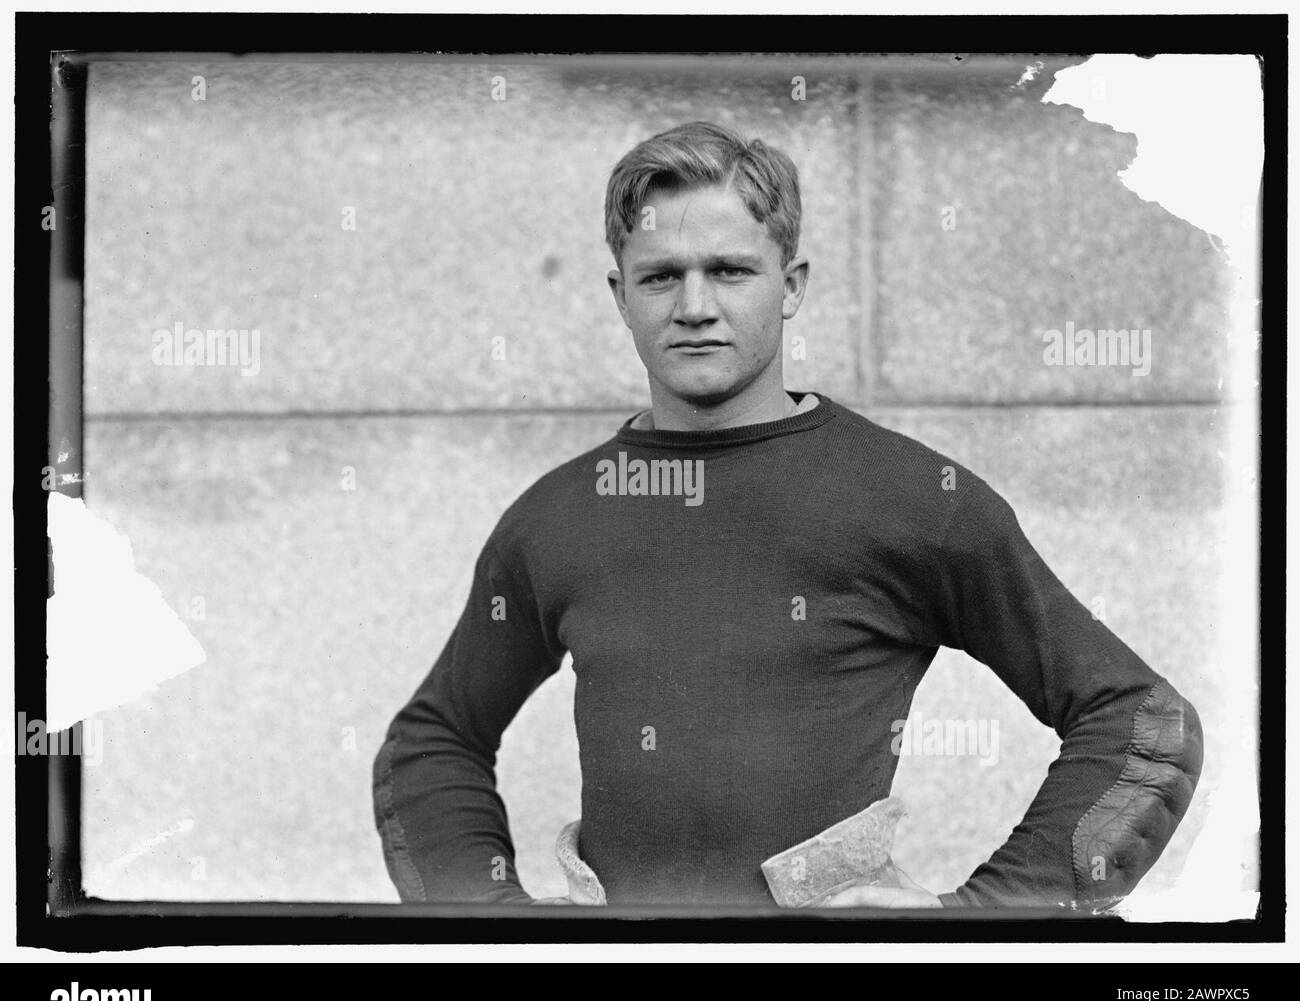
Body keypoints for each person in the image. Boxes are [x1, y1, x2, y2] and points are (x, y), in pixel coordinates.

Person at [372, 121, 1203, 909]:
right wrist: (491, 924)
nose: (694, 305)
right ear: (621, 296)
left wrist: (982, 917)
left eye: (730, 271)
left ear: (792, 284)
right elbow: (430, 744)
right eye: (662, 276)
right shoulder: (554, 518)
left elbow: (1142, 722)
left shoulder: (916, 499)